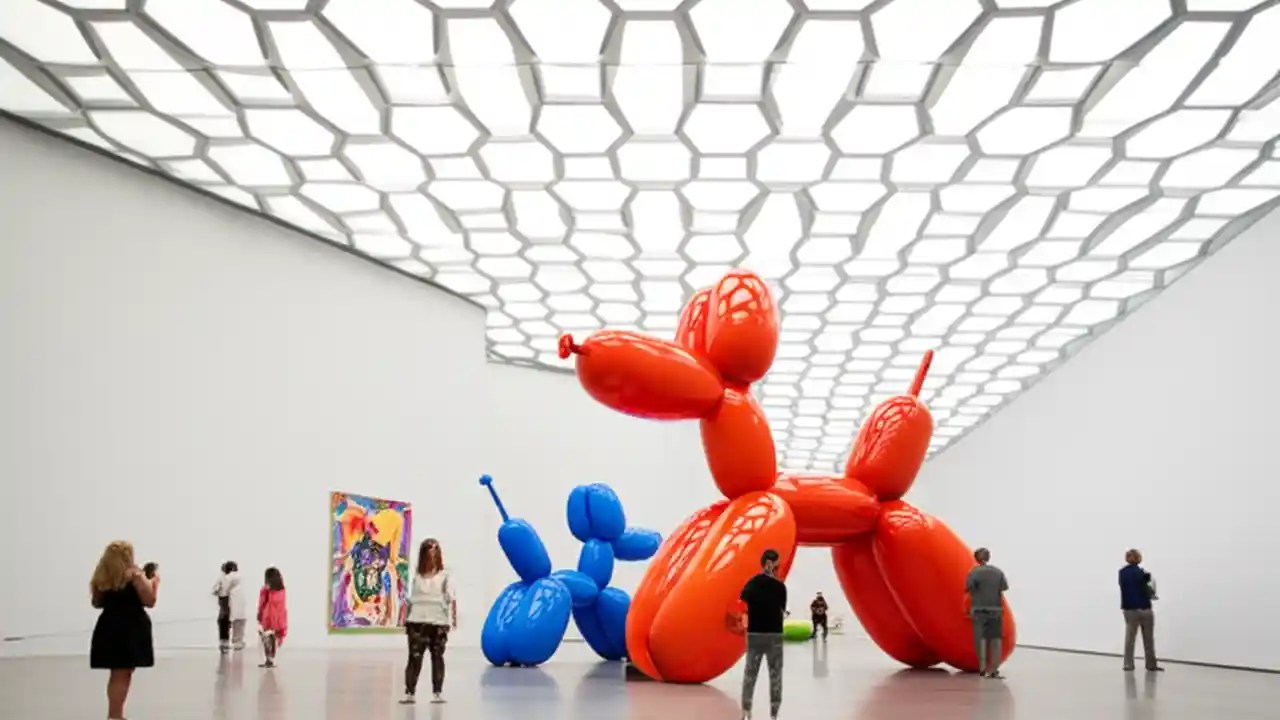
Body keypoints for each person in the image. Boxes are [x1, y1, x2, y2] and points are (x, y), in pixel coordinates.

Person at [90, 540, 156, 720]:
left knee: (117, 672)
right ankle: (115, 715)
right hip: (131, 627)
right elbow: (149, 600)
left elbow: (97, 603)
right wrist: (151, 582)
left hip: (108, 625)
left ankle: (115, 713)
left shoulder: (102, 577)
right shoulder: (135, 575)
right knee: (123, 672)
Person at [401, 538, 457, 705]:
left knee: (437, 657)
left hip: (438, 622)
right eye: (428, 551)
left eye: (435, 551)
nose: (432, 555)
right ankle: (410, 692)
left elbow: (450, 598)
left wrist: (450, 620)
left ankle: (437, 692)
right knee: (414, 658)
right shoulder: (416, 576)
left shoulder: (445, 576)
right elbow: (407, 597)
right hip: (416, 621)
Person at [739, 548, 787, 720]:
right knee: (775, 675)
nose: (779, 567)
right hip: (774, 635)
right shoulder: (780, 587)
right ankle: (774, 713)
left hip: (754, 634)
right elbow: (781, 610)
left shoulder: (751, 584)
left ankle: (746, 711)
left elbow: (743, 606)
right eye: (777, 563)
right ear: (770, 563)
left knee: (750, 674)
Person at [964, 547, 1009, 679]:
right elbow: (1004, 587)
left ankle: (983, 668)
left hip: (979, 610)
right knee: (995, 639)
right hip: (995, 610)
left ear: (976, 558)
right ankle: (994, 669)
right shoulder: (997, 572)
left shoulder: (973, 573)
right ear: (988, 557)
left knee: (981, 639)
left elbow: (968, 588)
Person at [1120, 549, 1163, 672]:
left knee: (1130, 639)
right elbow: (1149, 591)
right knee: (1148, 639)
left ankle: (1128, 664)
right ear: (1138, 558)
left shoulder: (1122, 573)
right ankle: (1151, 664)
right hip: (1144, 608)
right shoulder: (1142, 573)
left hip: (1129, 609)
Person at [257, 567, 288, 668]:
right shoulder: (282, 590)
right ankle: (271, 659)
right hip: (279, 617)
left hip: (268, 617)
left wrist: (259, 614)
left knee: (266, 638)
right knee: (273, 637)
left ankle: (268, 659)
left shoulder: (266, 590)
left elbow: (262, 603)